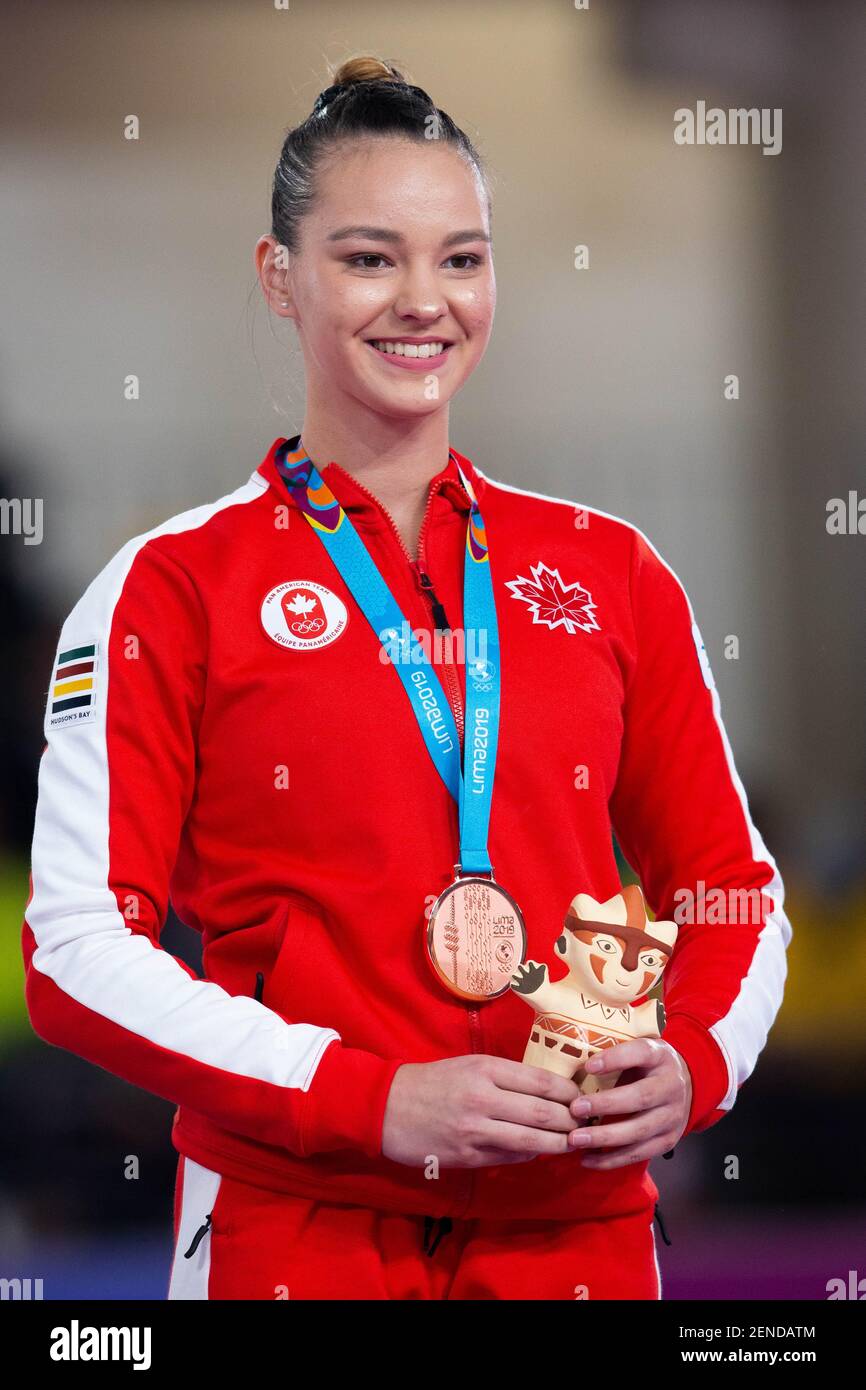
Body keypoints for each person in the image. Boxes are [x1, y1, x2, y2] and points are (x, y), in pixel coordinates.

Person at [21, 55, 792, 1301]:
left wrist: (695, 1060)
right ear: (280, 277)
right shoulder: (172, 588)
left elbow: (726, 888)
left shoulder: (609, 572)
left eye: (463, 258)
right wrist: (367, 1099)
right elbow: (71, 952)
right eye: (369, 257)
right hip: (297, 1229)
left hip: (577, 1233)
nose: (423, 301)